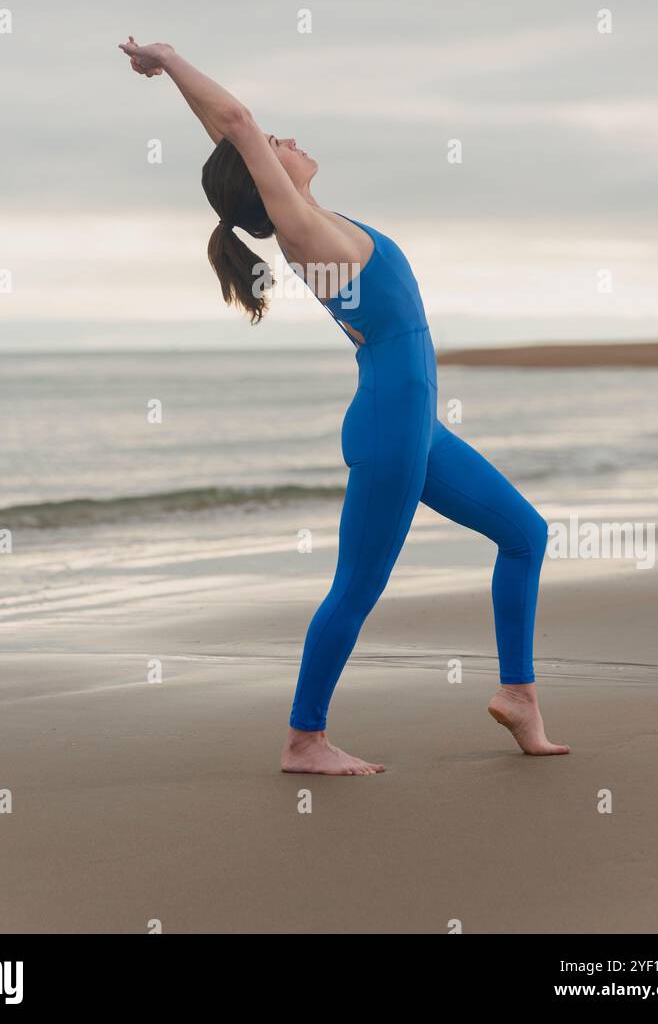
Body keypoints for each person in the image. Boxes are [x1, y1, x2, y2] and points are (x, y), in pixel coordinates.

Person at [119, 38, 570, 772]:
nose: (284, 140)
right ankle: (305, 740)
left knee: (524, 534)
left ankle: (518, 695)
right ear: (264, 183)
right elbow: (233, 121)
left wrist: (186, 94)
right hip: (390, 426)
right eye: (272, 144)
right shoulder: (302, 233)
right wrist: (168, 60)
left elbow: (225, 134)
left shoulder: (316, 218)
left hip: (415, 426)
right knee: (356, 587)